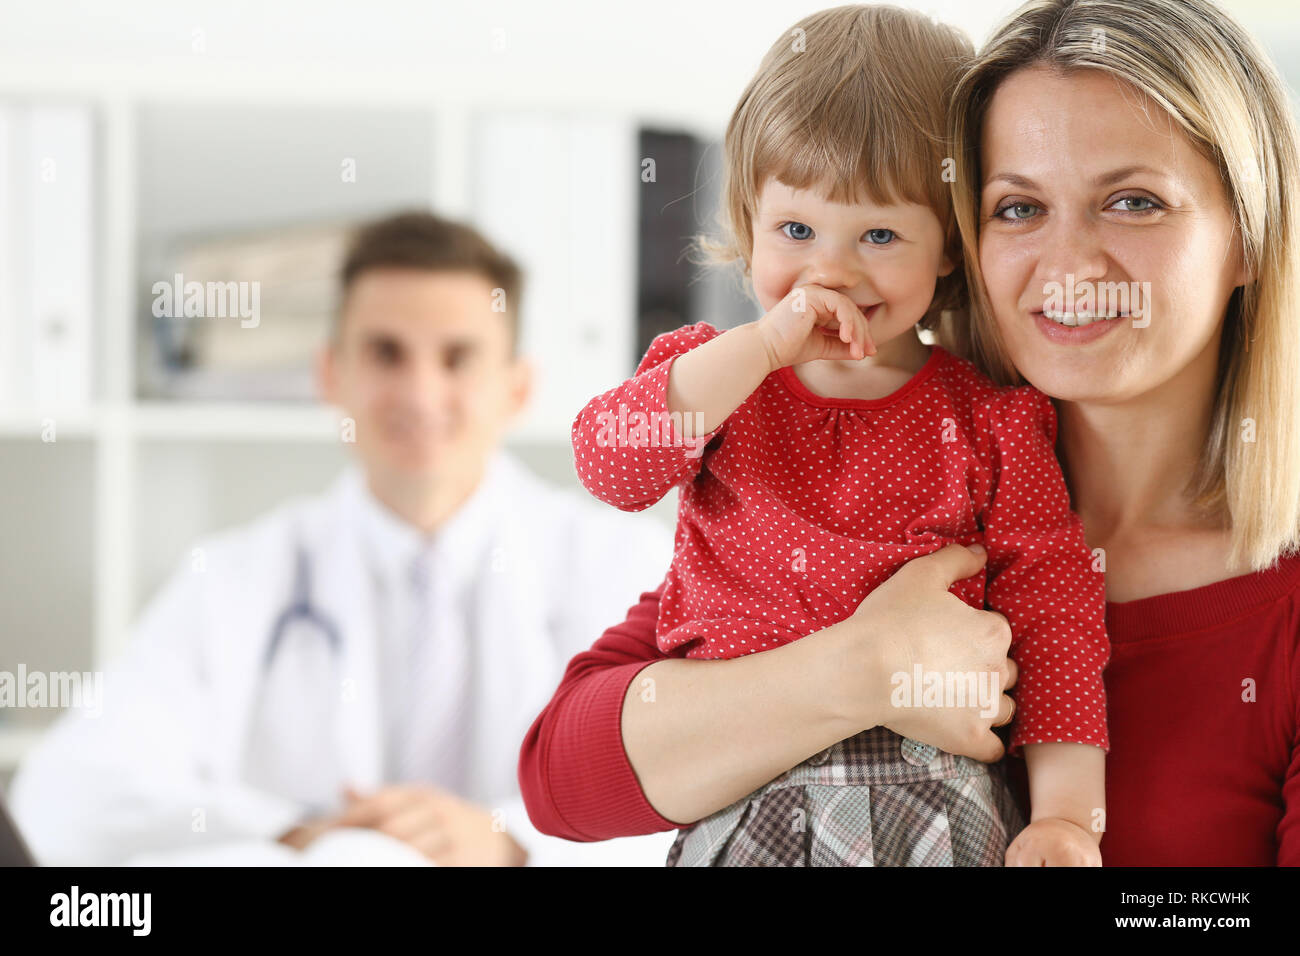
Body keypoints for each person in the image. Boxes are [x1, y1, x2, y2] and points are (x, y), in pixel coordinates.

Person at [520, 0, 1300, 866]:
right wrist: (864, 671)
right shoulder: (811, 476)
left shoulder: (1003, 464)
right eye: (1017, 208)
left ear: (1251, 235)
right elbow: (560, 777)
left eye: (1134, 201)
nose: (1070, 262)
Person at [567, 4, 1107, 867]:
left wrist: (1070, 817)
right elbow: (607, 465)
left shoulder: (994, 421)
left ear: (948, 247)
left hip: (936, 791)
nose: (833, 271)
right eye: (796, 230)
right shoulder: (714, 382)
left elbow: (1055, 619)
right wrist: (762, 349)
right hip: (745, 782)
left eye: (881, 234)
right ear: (747, 225)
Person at [10, 210, 676, 867]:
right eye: (386, 353)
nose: (420, 394)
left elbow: (705, 793)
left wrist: (511, 841)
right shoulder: (235, 576)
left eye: (458, 357)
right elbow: (66, 798)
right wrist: (308, 836)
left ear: (517, 388)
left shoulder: (623, 563)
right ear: (330, 374)